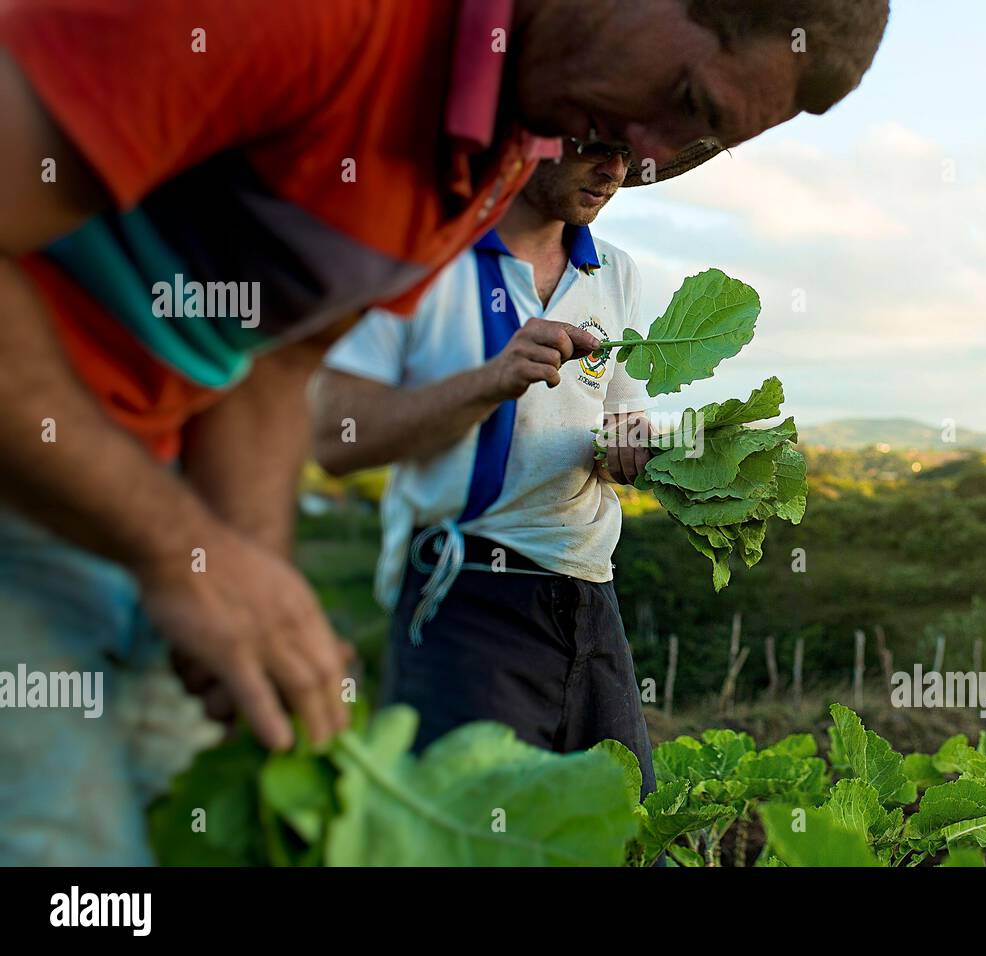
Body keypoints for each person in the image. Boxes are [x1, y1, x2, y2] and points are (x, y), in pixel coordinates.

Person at [0, 0, 890, 864]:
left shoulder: (490, 155)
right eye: (688, 101)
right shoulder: (333, 24)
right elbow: (329, 420)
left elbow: (266, 360)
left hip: (128, 513)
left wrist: (246, 579)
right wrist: (180, 548)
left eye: (697, 144)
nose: (645, 161)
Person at [311, 138, 660, 793]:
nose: (615, 171)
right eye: (593, 147)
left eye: (629, 155)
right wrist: (491, 380)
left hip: (588, 590)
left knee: (625, 834)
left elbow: (623, 408)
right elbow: (334, 436)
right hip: (466, 591)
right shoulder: (423, 255)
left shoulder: (615, 271)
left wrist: (638, 447)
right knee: (475, 834)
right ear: (531, 136)